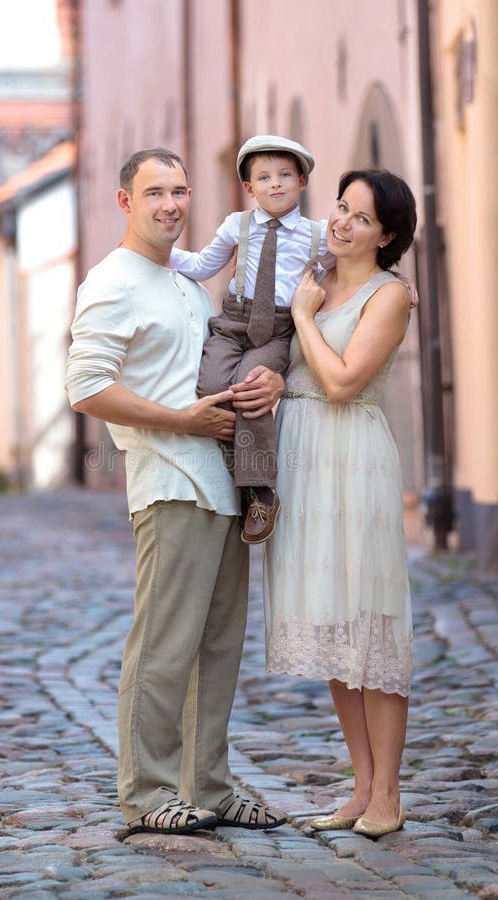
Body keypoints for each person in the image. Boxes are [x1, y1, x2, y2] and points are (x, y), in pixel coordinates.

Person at [65, 147, 287, 836]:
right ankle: (147, 793)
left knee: (218, 648)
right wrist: (179, 420)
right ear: (125, 202)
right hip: (169, 482)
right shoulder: (112, 281)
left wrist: (267, 382)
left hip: (223, 482)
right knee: (162, 646)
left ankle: (210, 787)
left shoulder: (189, 285)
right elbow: (87, 387)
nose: (171, 204)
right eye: (155, 191)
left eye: (180, 190)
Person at [262, 169, 417, 838]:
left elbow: (343, 383)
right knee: (330, 628)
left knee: (371, 626)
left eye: (359, 216)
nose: (341, 221)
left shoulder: (390, 297)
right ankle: (359, 789)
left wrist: (302, 315)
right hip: (304, 464)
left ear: (386, 234)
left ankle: (388, 796)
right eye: (341, 207)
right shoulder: (316, 279)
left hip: (353, 461)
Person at [171, 135, 329, 545]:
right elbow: (203, 264)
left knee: (250, 387)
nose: (275, 184)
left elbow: (352, 267)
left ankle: (260, 491)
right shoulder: (236, 226)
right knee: (211, 388)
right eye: (263, 177)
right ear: (249, 188)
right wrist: (153, 252)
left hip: (276, 330)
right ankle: (236, 472)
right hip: (234, 322)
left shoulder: (318, 235)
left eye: (285, 175)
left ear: (303, 181)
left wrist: (395, 277)